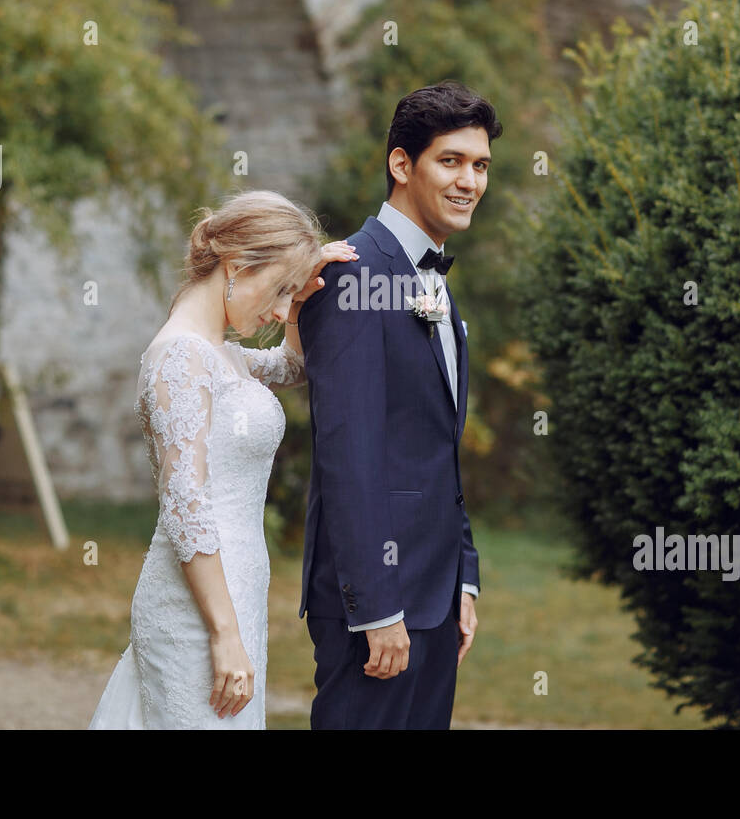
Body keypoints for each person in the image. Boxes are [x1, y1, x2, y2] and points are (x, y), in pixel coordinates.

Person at [89, 189, 352, 728]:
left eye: (288, 295)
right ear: (235, 265)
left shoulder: (222, 354)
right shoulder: (181, 357)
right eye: (278, 290)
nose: (279, 310)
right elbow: (186, 508)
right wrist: (224, 634)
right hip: (198, 612)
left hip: (236, 595)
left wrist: (302, 296)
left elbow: (294, 365)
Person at [298, 80, 500, 728]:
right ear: (401, 164)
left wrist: (462, 578)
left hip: (436, 598)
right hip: (378, 608)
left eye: (480, 165)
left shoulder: (432, 278)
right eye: (451, 161)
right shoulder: (355, 275)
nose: (469, 181)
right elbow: (348, 456)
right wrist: (377, 608)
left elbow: (436, 451)